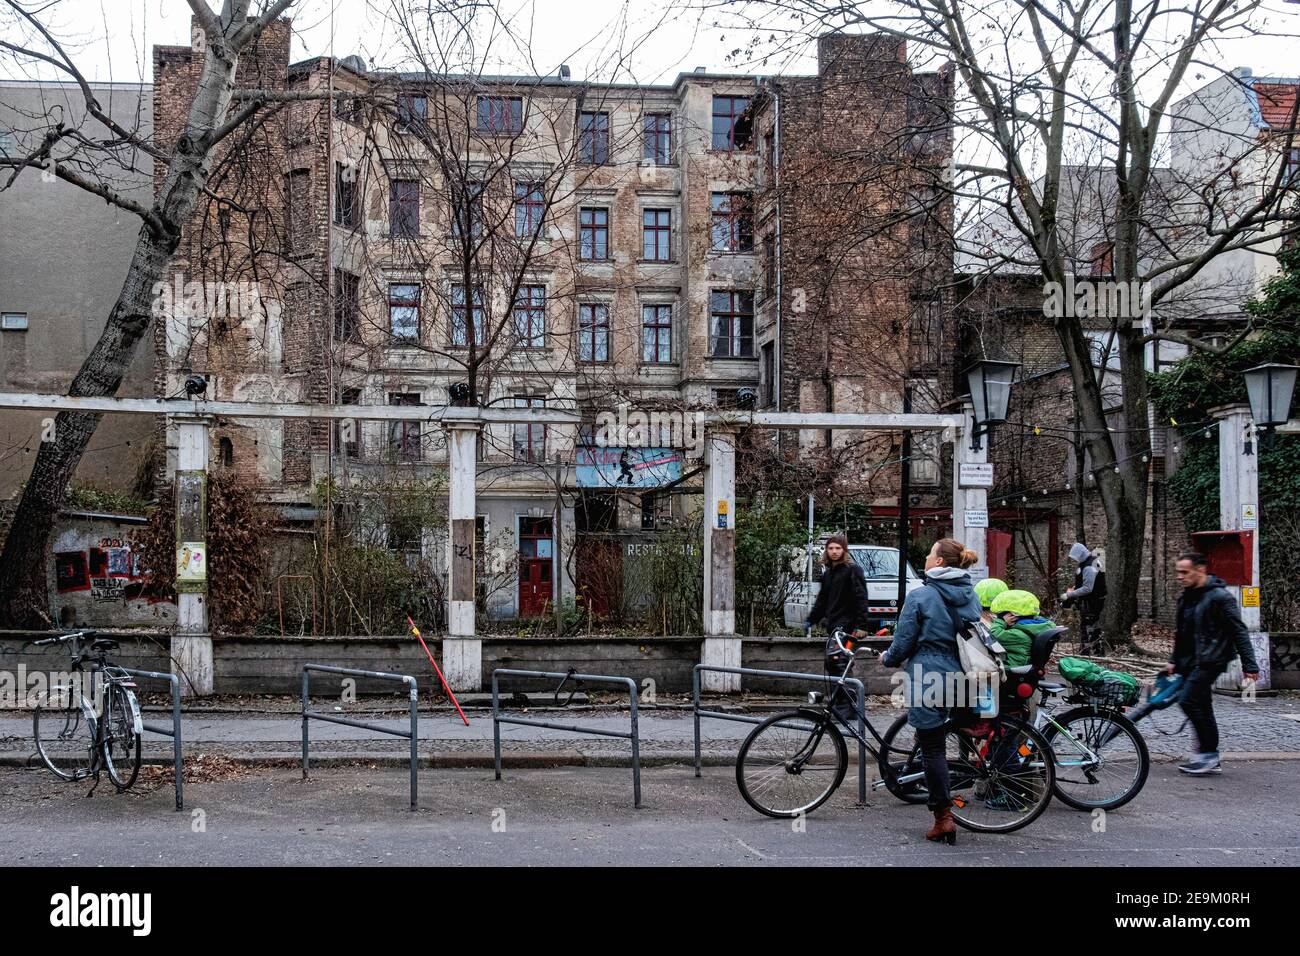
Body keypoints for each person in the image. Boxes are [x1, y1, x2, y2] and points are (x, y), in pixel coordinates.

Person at [879, 538, 982, 845]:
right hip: (964, 675)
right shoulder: (970, 594)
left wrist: (889, 658)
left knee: (933, 747)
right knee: (946, 730)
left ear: (938, 563)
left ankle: (944, 818)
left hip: (929, 674)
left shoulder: (920, 595)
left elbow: (903, 641)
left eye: (929, 554)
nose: (925, 557)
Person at [1167, 551, 1259, 775]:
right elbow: (1183, 633)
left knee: (1187, 701)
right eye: (1178, 572)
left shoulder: (1220, 597)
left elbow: (1239, 630)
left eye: (1184, 572)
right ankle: (1209, 756)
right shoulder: (1187, 596)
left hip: (1212, 659)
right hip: (1193, 660)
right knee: (1203, 705)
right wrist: (1174, 661)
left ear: (1200, 570)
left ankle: (1208, 754)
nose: (1180, 576)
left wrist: (1251, 666)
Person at [806, 535, 870, 722]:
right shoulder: (829, 574)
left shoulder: (853, 571)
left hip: (848, 628)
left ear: (844, 551)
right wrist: (812, 619)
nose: (834, 552)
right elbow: (822, 600)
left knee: (839, 661)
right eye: (831, 548)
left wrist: (861, 625)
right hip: (835, 627)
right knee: (834, 663)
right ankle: (841, 704)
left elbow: (861, 598)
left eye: (838, 548)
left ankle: (848, 706)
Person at [989, 589, 1059, 670]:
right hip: (1023, 664)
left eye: (1000, 615)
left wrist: (1001, 621)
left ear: (1012, 616)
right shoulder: (1034, 626)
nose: (998, 617)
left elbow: (992, 637)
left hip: (1011, 667)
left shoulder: (1018, 634)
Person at [1062, 542, 1105, 650]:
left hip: (1092, 601)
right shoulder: (1089, 562)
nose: (1076, 560)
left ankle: (1089, 650)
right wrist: (1075, 588)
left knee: (1089, 625)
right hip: (1093, 599)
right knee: (1089, 625)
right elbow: (1085, 582)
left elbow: (1087, 588)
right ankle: (1091, 649)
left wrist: (1069, 594)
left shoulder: (1089, 567)